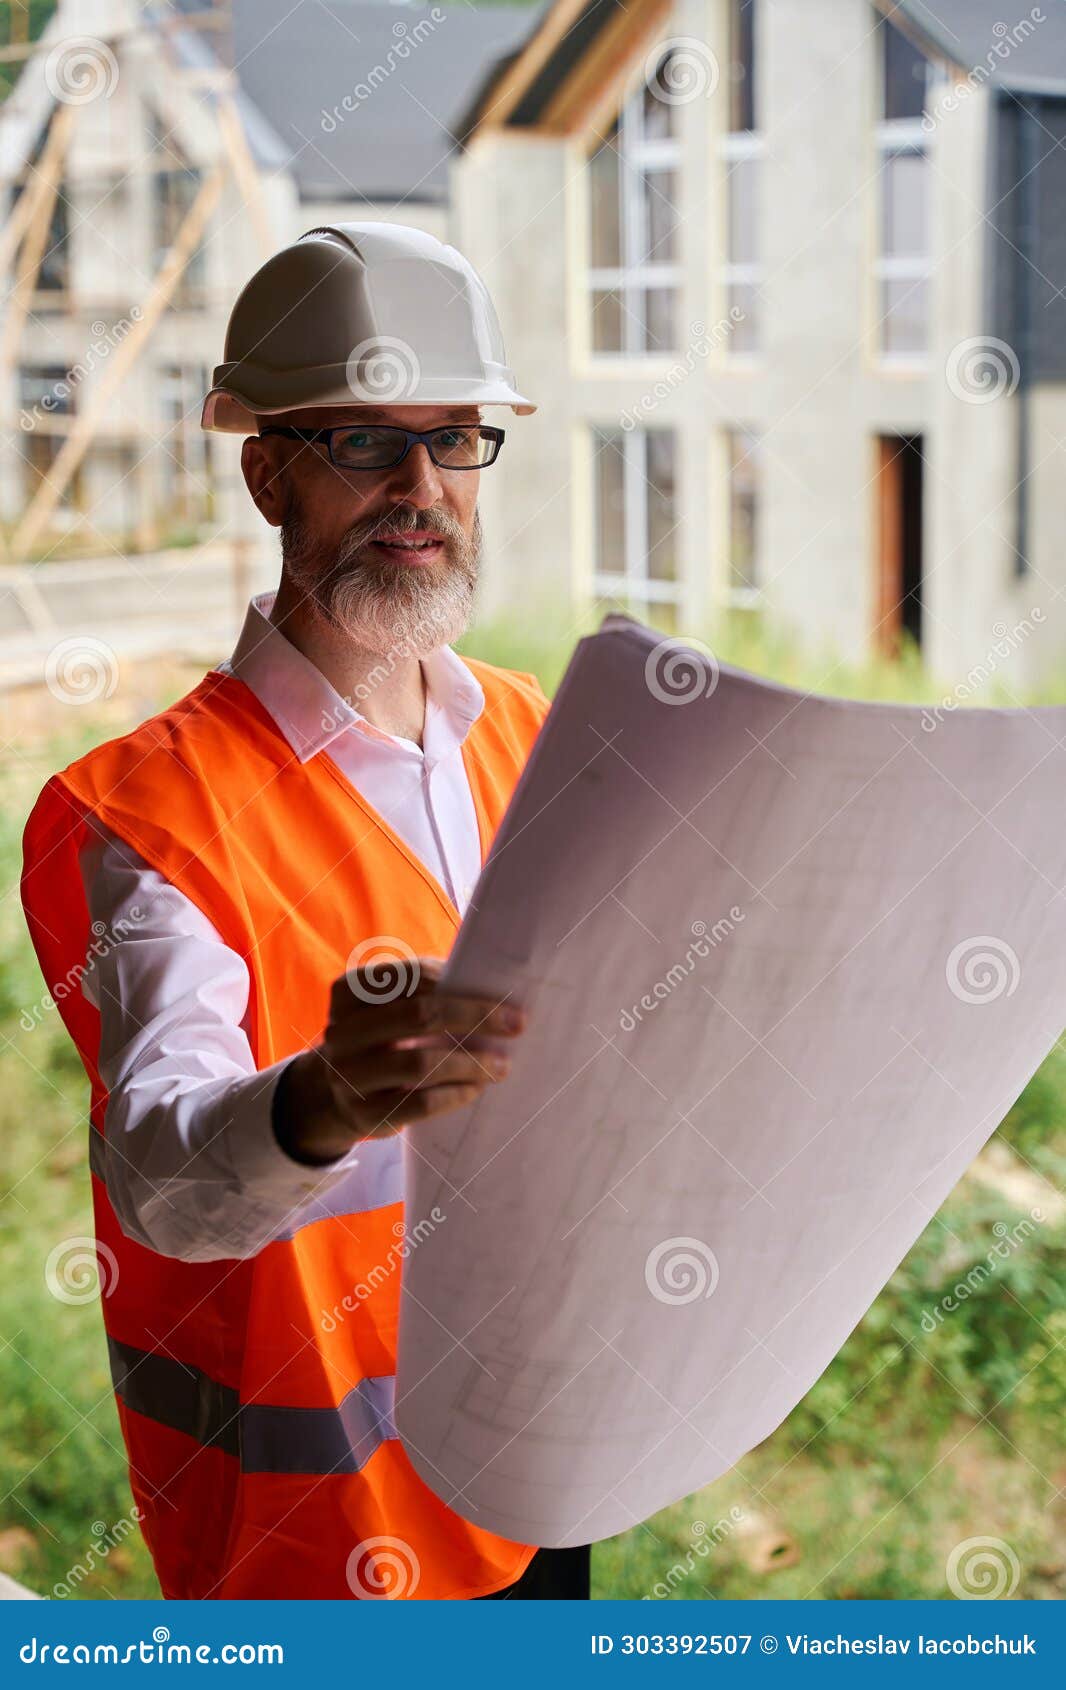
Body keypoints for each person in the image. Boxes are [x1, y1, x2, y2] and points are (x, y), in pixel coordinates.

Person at [21, 222, 590, 1602]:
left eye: (454, 436)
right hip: (310, 1546)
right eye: (361, 442)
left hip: (539, 1472)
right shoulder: (144, 812)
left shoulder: (539, 734)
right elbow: (161, 1172)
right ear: (265, 467)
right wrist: (322, 1098)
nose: (419, 484)